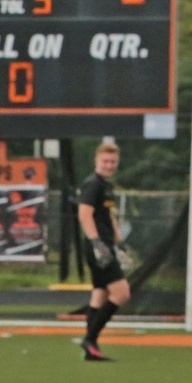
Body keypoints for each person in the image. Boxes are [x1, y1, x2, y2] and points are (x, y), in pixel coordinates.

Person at [79, 140, 131, 362]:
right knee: (121, 293)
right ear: (96, 161)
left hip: (105, 244)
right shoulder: (93, 184)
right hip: (97, 246)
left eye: (113, 161)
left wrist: (117, 237)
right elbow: (84, 214)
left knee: (99, 295)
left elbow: (106, 214)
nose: (109, 165)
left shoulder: (106, 185)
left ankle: (91, 347)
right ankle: (90, 338)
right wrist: (97, 243)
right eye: (105, 161)